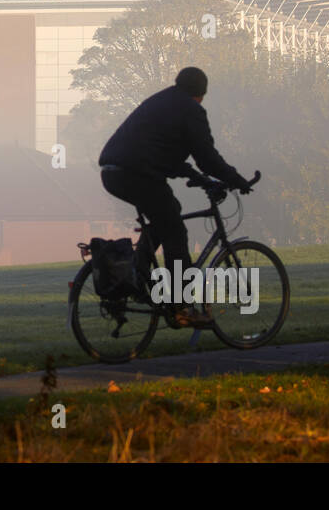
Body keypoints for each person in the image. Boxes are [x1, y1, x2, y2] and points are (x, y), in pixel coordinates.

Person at [98, 67, 253, 327]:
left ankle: (139, 272)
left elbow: (161, 150)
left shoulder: (162, 101)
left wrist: (198, 177)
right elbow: (207, 157)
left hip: (115, 172)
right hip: (136, 174)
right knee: (175, 231)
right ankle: (180, 307)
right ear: (201, 95)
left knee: (166, 214)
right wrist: (237, 180)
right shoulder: (191, 111)